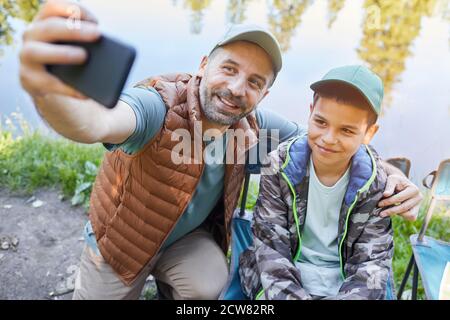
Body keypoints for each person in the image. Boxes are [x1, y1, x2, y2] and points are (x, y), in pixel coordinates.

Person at [19, 0, 422, 300]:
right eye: (229, 69)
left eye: (253, 81)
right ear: (203, 65)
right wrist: (49, 93)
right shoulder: (159, 104)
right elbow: (97, 122)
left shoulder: (256, 127)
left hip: (186, 241)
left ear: (265, 93)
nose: (235, 89)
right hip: (121, 242)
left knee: (209, 285)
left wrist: (390, 173)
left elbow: (324, 138)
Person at [239, 65, 396, 300]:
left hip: (345, 284)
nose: (329, 139)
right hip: (282, 278)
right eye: (321, 122)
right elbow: (271, 249)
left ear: (369, 133)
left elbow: (372, 262)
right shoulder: (278, 167)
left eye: (346, 130)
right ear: (310, 112)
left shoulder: (376, 185)